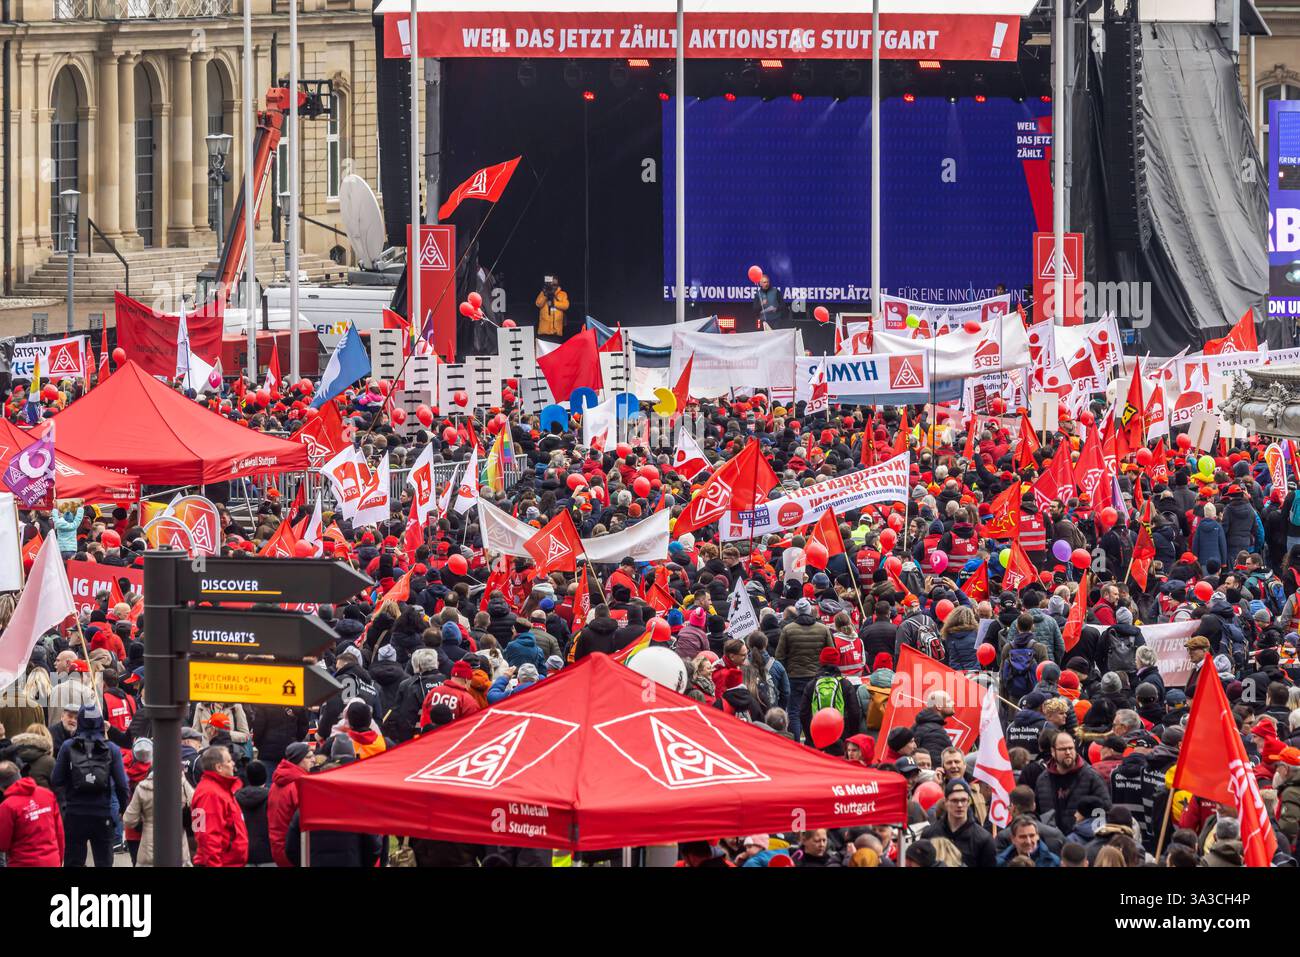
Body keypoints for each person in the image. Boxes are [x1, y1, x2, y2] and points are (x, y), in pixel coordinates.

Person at [50, 703, 129, 868]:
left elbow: (56, 780)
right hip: (103, 813)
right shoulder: (111, 749)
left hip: (74, 813)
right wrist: (122, 809)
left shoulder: (67, 746)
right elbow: (122, 785)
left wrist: (65, 804)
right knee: (104, 862)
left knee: (73, 861)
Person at [1035, 731, 1111, 836]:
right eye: (1062, 749)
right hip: (1052, 841)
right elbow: (1037, 813)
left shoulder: (1091, 777)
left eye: (1071, 748)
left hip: (1083, 842)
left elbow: (1105, 808)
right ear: (1053, 751)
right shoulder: (1043, 780)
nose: (1068, 752)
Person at [191, 745, 249, 867]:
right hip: (222, 862)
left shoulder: (218, 789)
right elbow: (207, 836)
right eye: (228, 761)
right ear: (219, 767)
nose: (233, 763)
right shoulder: (211, 794)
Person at [919, 778, 996, 867]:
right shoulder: (929, 833)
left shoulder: (984, 839)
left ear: (968, 802)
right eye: (954, 800)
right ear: (946, 802)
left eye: (963, 800)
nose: (959, 805)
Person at [0, 759, 64, 866]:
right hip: (52, 861)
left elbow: (3, 845)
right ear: (19, 774)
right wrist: (58, 860)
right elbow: (59, 833)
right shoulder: (47, 794)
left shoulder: (7, 806)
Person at [268, 742, 314, 869]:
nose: (314, 760)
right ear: (298, 760)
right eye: (309, 757)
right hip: (294, 850)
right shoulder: (298, 785)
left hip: (278, 847)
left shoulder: (276, 784)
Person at [996, 816, 1060, 867]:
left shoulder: (1054, 862)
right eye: (1023, 837)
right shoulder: (1000, 863)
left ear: (1037, 836)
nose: (1028, 841)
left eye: (1032, 836)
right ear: (1013, 839)